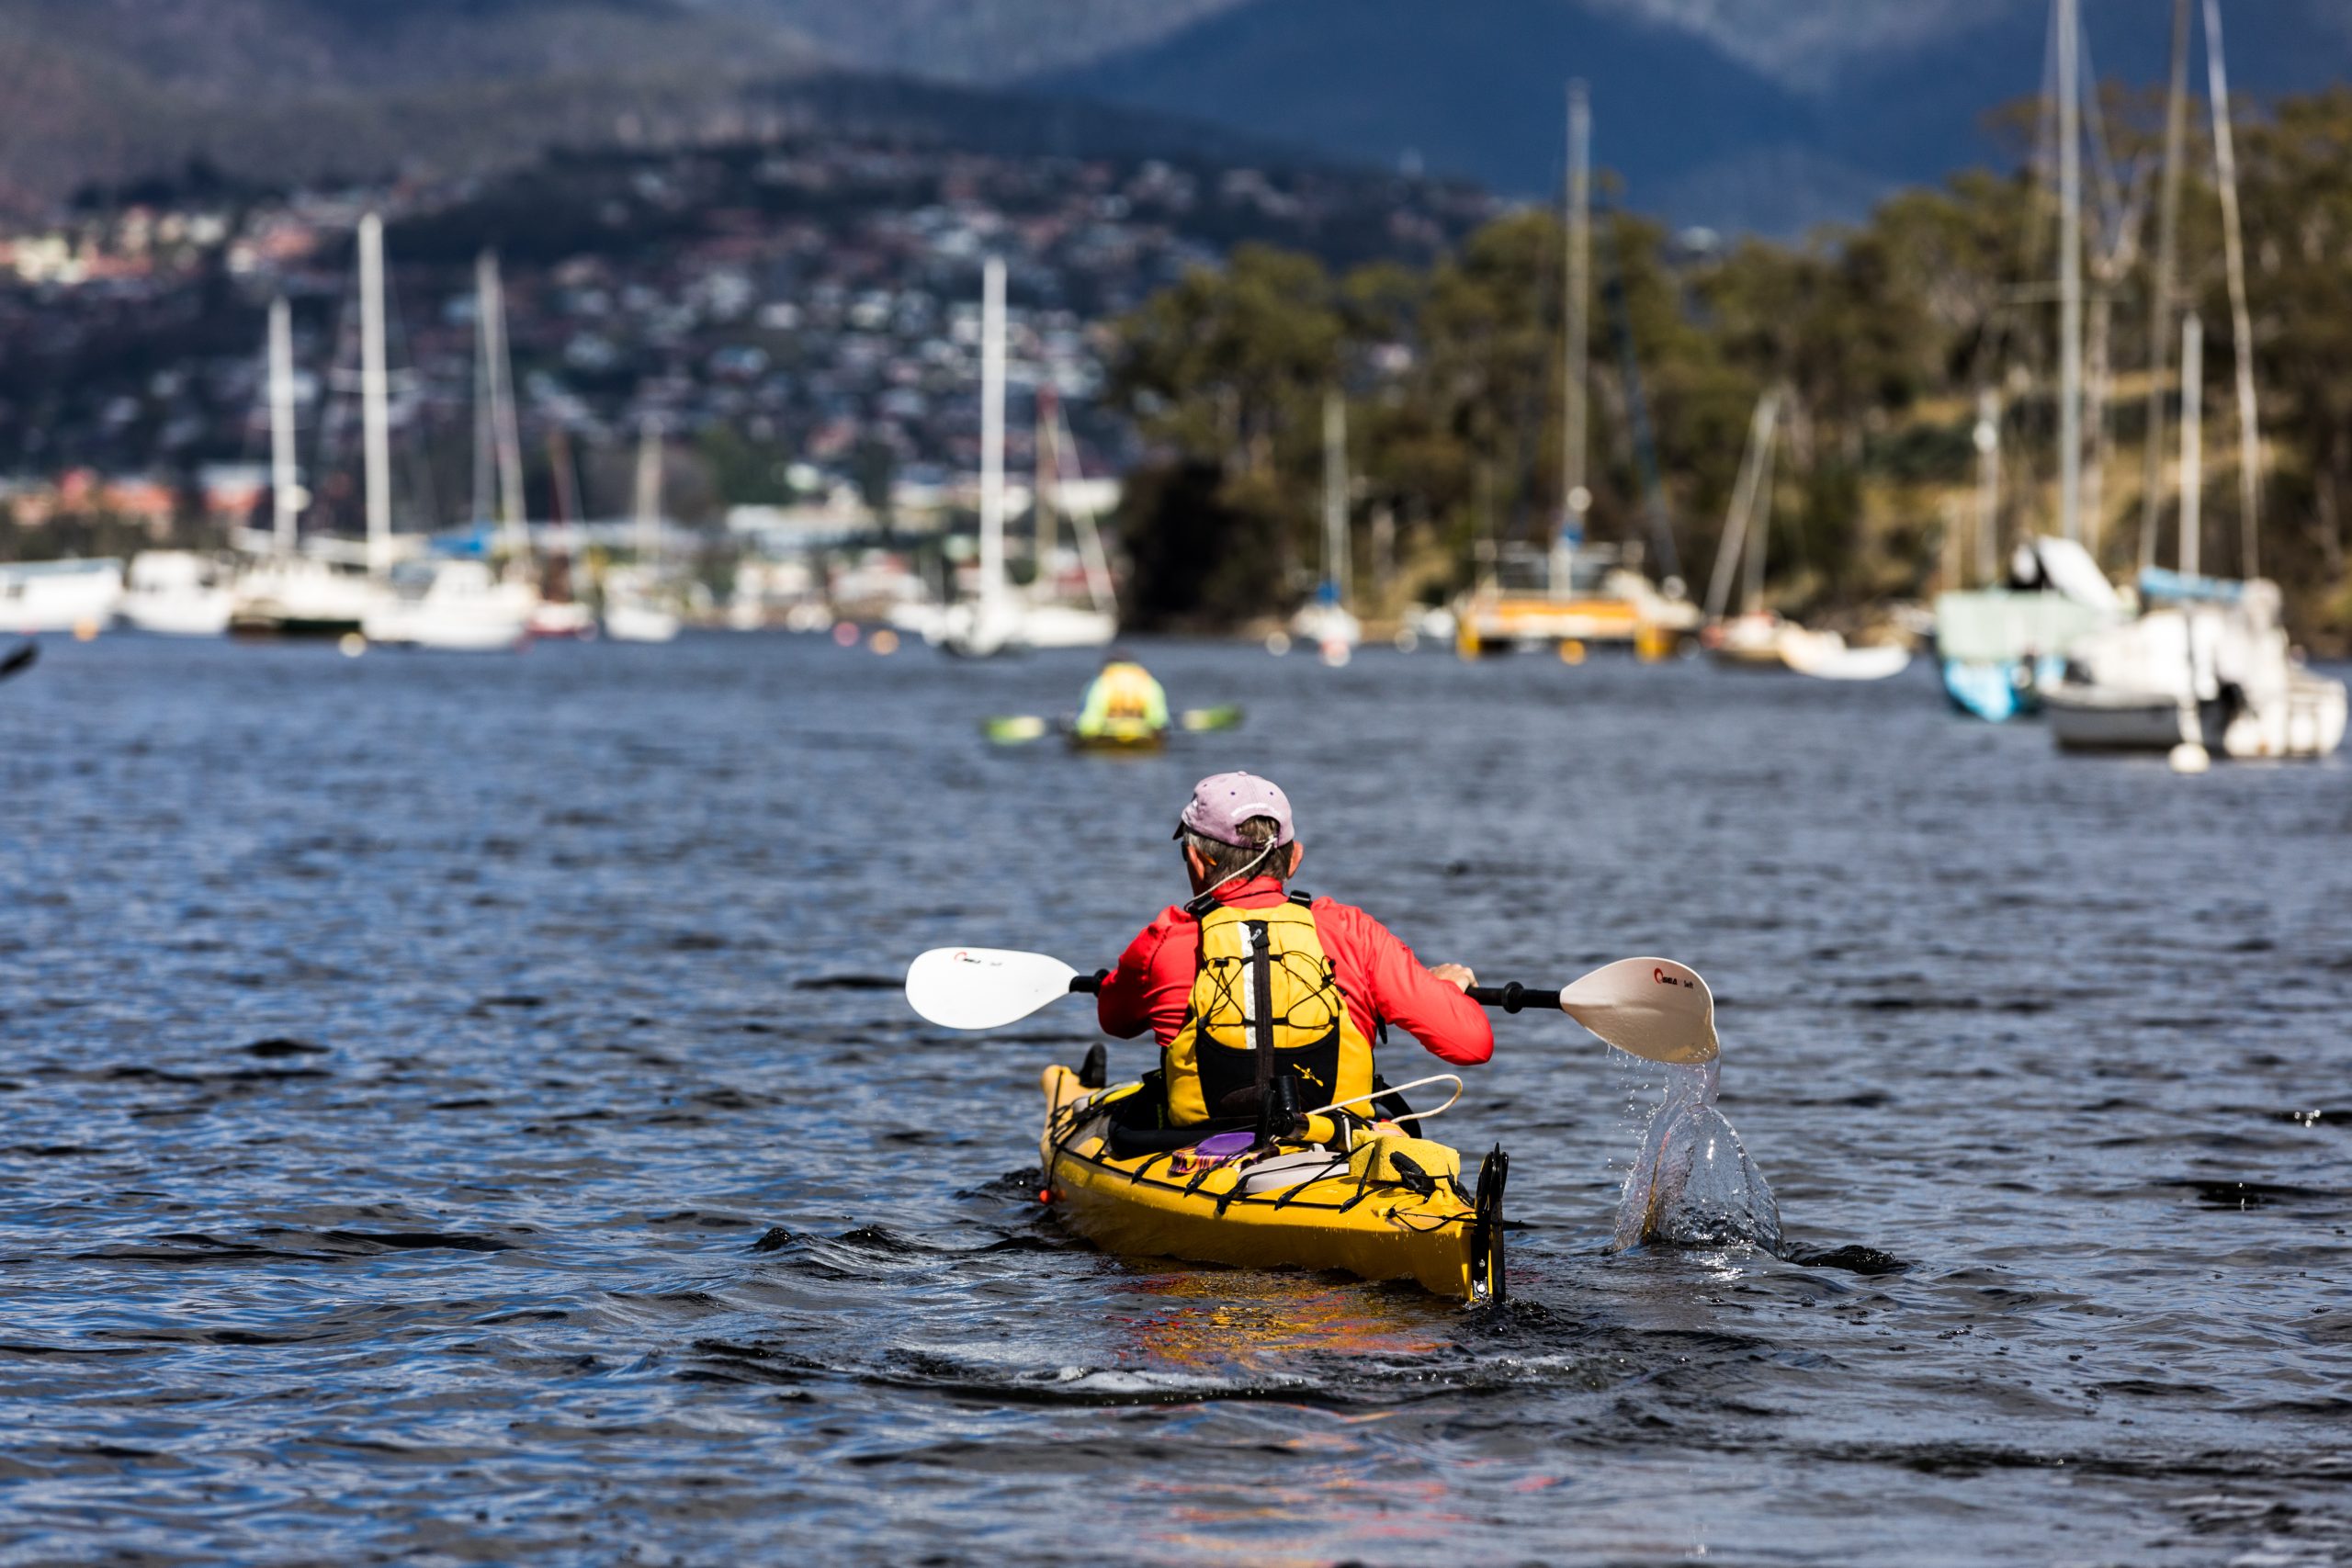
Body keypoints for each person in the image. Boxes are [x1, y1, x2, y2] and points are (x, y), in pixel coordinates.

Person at [1096, 771, 1491, 1137]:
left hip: (1200, 1147)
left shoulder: (1165, 940)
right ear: (1294, 858)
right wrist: (1442, 991)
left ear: (1196, 861)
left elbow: (1114, 1020)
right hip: (1335, 1141)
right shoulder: (1353, 933)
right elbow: (1472, 1045)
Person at [1073, 650, 1169, 741]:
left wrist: (1084, 733)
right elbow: (1159, 719)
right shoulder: (1148, 682)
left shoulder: (1103, 682)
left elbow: (1091, 718)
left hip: (1108, 735)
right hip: (1142, 735)